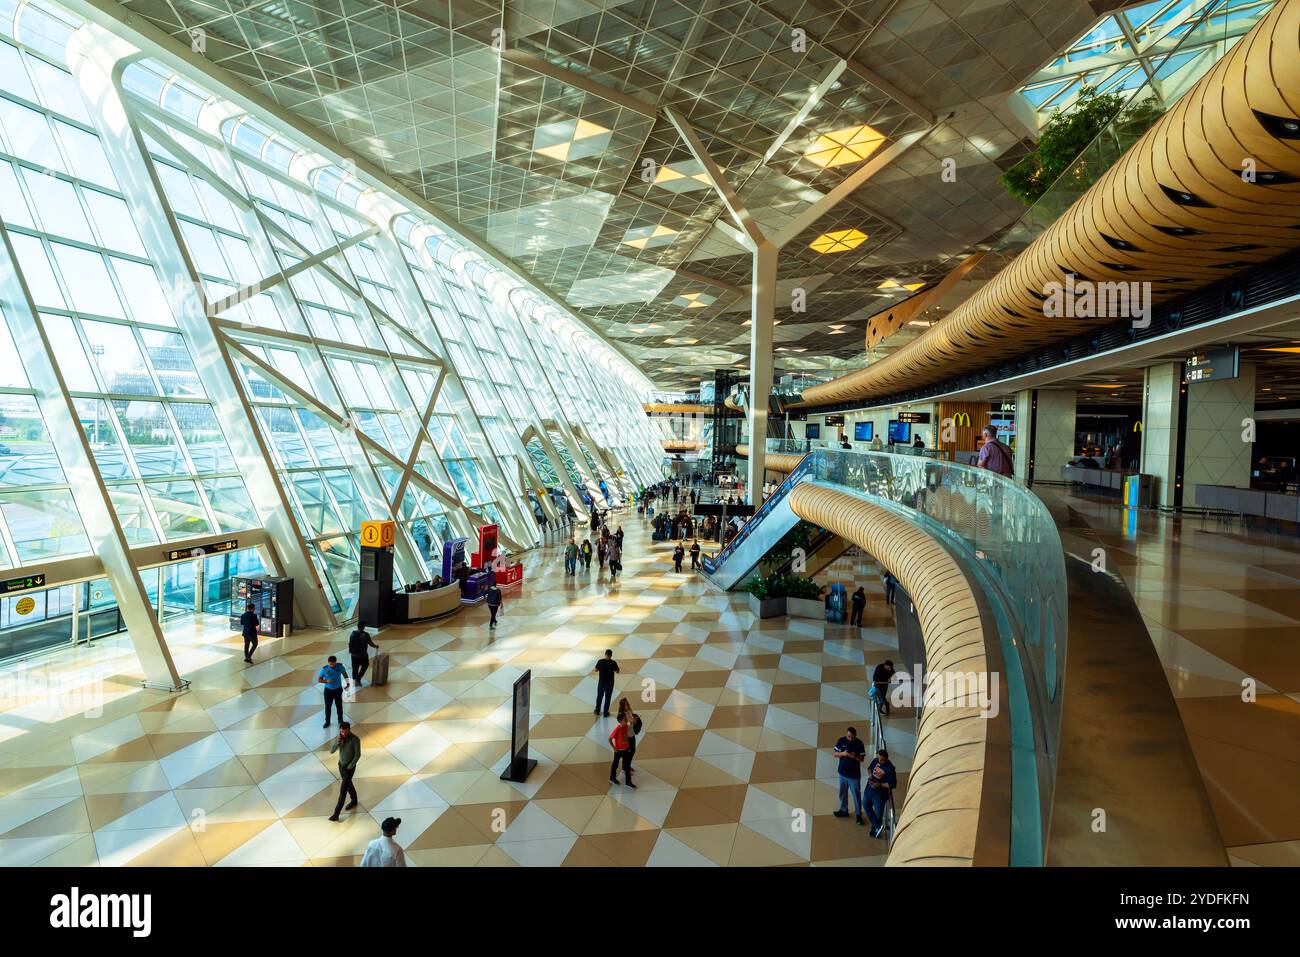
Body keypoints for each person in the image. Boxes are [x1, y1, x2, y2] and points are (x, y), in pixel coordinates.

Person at [832, 726, 867, 825]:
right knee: (842, 793)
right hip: (842, 773)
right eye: (849, 737)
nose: (850, 739)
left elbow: (862, 759)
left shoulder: (859, 743)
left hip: (854, 776)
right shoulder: (841, 740)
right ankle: (844, 810)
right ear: (846, 735)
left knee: (856, 795)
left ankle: (858, 815)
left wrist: (854, 756)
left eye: (852, 737)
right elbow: (835, 753)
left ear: (855, 736)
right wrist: (843, 753)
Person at [327, 721, 360, 822]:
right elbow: (331, 751)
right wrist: (337, 743)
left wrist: (350, 766)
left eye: (345, 731)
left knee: (343, 790)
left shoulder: (355, 739)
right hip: (341, 766)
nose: (343, 733)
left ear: (349, 729)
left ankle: (336, 813)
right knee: (348, 783)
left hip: (349, 768)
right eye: (341, 731)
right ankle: (354, 800)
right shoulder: (339, 738)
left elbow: (357, 755)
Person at [864, 748, 898, 838]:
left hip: (880, 795)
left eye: (882, 760)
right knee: (865, 805)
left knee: (878, 814)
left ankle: (875, 830)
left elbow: (892, 784)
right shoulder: (876, 760)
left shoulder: (890, 769)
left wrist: (880, 784)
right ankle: (877, 826)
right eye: (878, 758)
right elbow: (869, 769)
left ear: (887, 759)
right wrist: (871, 775)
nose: (879, 761)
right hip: (869, 789)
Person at [318, 655, 350, 727]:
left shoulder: (340, 667)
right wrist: (326, 681)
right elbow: (319, 679)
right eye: (330, 664)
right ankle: (327, 721)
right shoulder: (325, 669)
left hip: (338, 690)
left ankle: (340, 720)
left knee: (339, 705)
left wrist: (347, 682)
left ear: (336, 662)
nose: (332, 665)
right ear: (328, 663)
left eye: (333, 664)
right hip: (328, 691)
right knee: (328, 706)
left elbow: (345, 674)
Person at [608, 712, 635, 788]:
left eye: (626, 718)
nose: (626, 720)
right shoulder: (617, 729)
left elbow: (630, 723)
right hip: (618, 751)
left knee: (627, 766)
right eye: (624, 719)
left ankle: (628, 782)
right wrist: (614, 748)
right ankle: (612, 777)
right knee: (615, 764)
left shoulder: (626, 725)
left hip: (626, 749)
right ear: (620, 721)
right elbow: (609, 739)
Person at [348, 622, 379, 687]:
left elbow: (350, 643)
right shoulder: (365, 635)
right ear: (363, 627)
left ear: (357, 626)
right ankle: (358, 678)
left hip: (353, 655)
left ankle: (355, 681)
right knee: (365, 665)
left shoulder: (353, 633)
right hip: (363, 655)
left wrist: (350, 651)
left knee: (355, 668)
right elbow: (370, 643)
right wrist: (375, 646)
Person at [593, 648, 619, 716]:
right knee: (608, 698)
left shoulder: (600, 661)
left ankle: (597, 711)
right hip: (610, 683)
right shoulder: (613, 663)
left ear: (605, 654)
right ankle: (605, 712)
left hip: (601, 683)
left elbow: (595, 670)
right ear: (611, 655)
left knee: (599, 697)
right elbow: (617, 671)